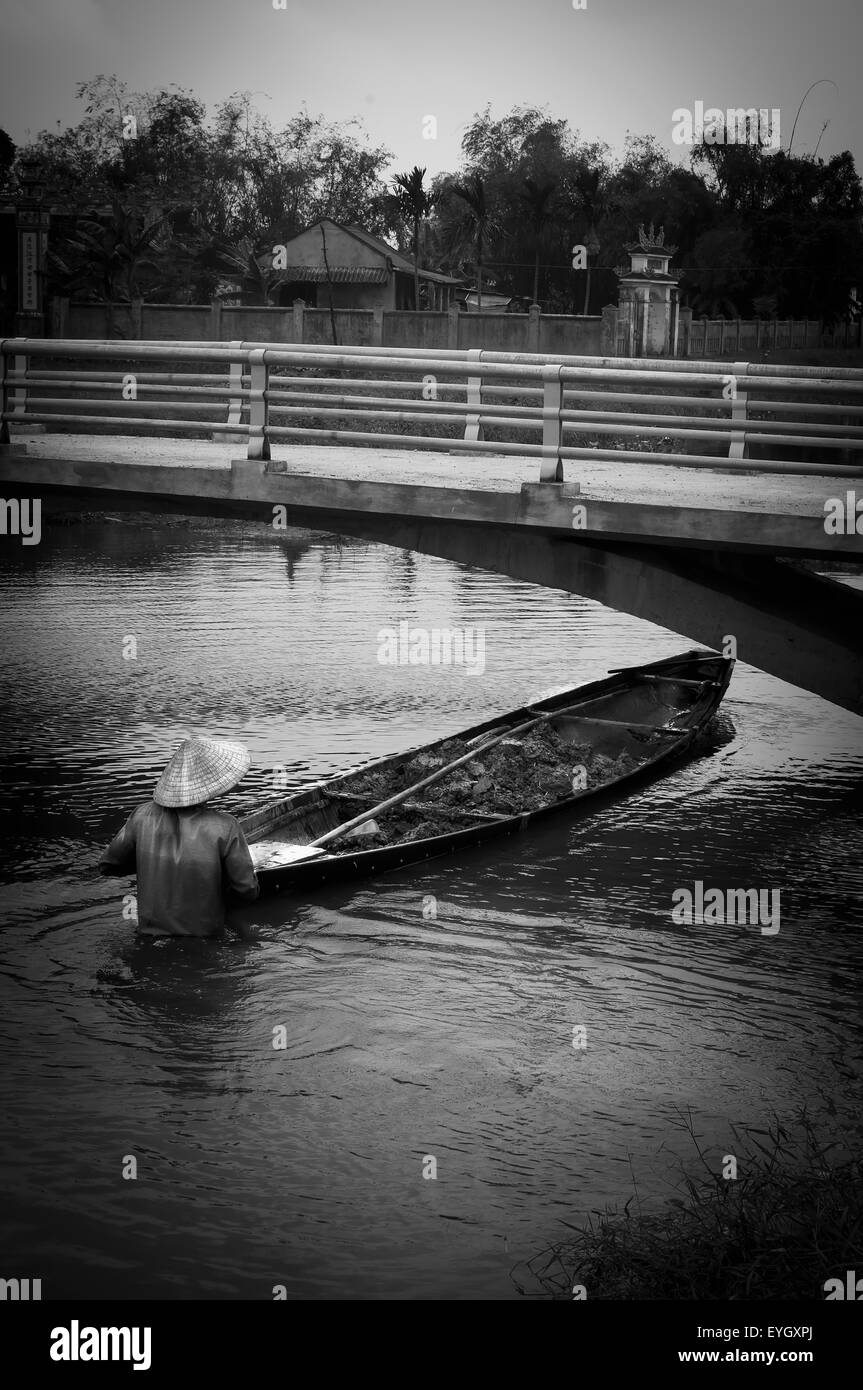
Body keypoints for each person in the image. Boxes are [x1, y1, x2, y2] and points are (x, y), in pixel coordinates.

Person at [100, 736, 259, 937]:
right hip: (204, 940)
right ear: (211, 782)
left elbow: (108, 865)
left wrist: (150, 862)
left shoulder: (141, 816)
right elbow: (246, 889)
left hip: (149, 938)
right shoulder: (226, 826)